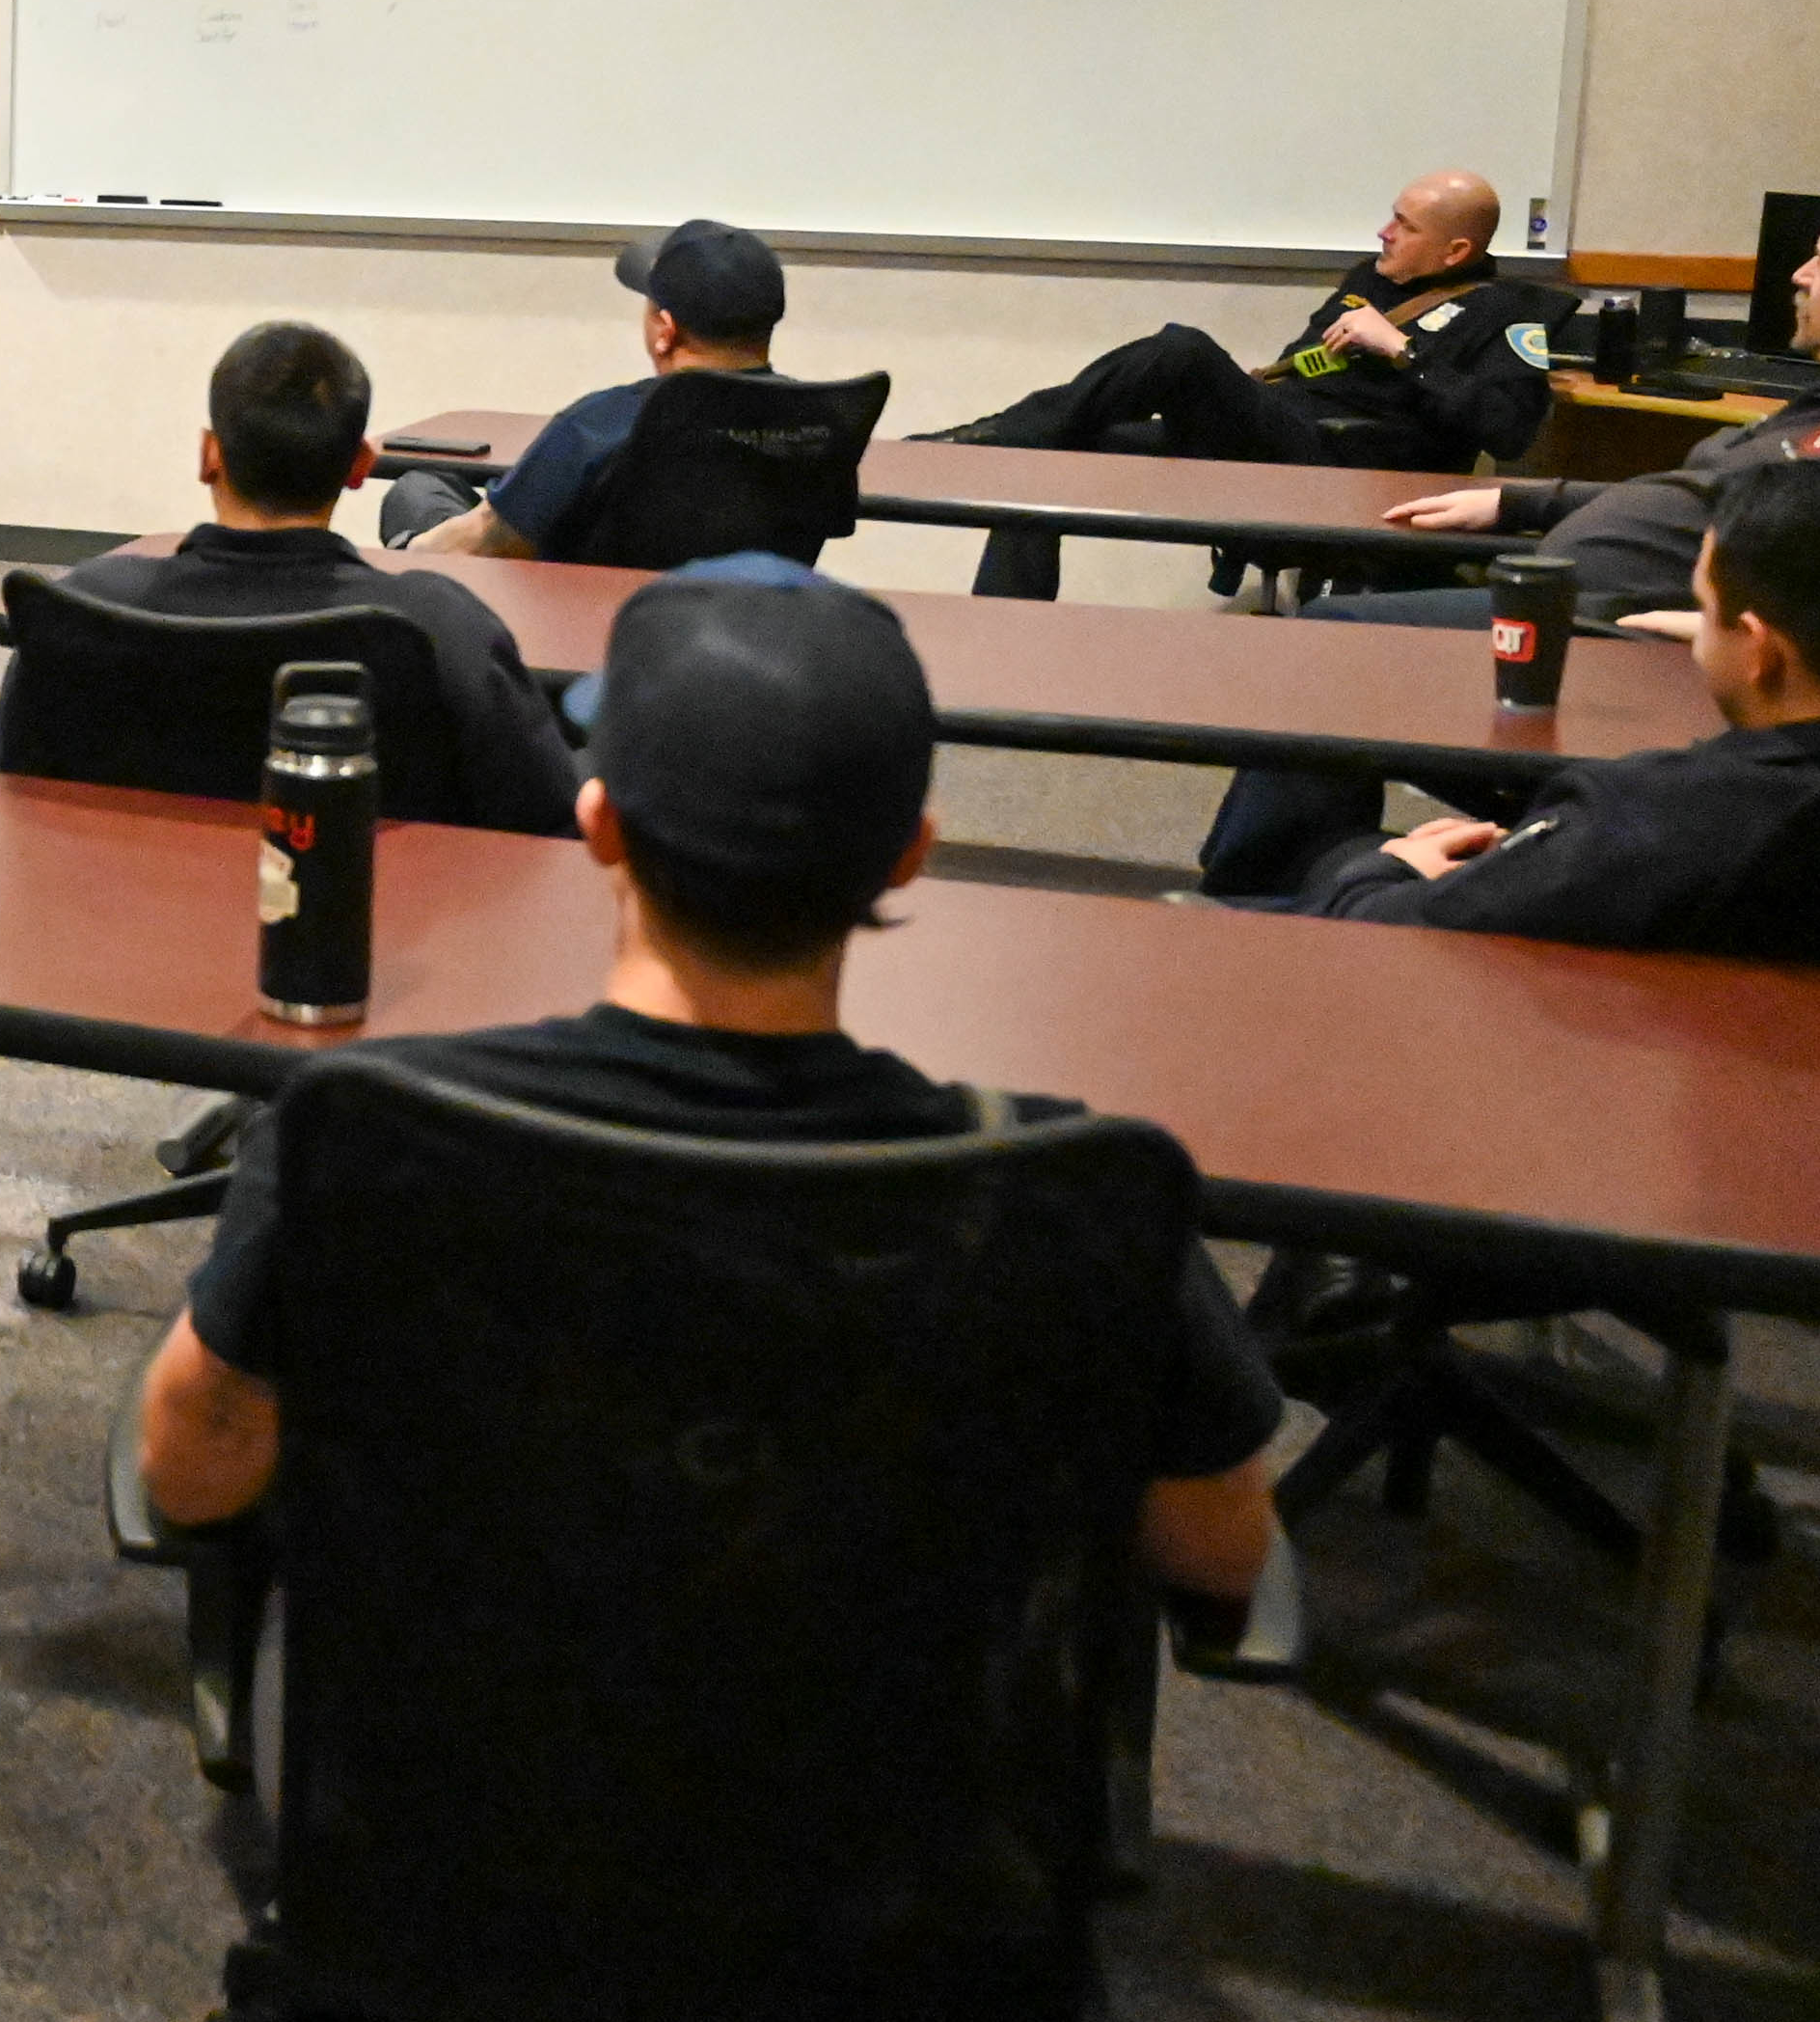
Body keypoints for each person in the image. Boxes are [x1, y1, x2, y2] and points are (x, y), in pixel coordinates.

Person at [132, 574, 1284, 1625]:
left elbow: (188, 1475)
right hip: (903, 1835)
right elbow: (1220, 1553)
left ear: (597, 824)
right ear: (908, 855)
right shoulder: (1071, 1187)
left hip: (451, 1821)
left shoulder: (365, 1132)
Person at [1200, 178, 1820, 893]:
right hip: (1592, 619)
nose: (1800, 274)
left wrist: (1721, 634)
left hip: (1641, 655)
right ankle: (1308, 882)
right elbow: (1701, 495)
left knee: (1335, 647)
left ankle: (1269, 894)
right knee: (1342, 652)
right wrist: (1526, 502)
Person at [1272, 457, 1820, 942]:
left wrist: (1389, 870)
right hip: (1762, 1049)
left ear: (1762, 648)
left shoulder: (1644, 811)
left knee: (1337, 858)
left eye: (1704, 614)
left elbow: (1386, 927)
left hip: (1544, 1051)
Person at [15, 320, 580, 838]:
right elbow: (544, 813)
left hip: (122, 919)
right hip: (369, 926)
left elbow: (18, 769)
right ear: (361, 467)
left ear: (209, 456)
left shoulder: (87, 601)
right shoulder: (438, 622)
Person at [929, 171, 1558, 596]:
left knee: (1184, 350)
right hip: (1279, 439)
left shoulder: (1507, 313)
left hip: (1347, 468)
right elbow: (1301, 367)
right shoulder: (1372, 281)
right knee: (1053, 449)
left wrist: (1401, 349)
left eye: (1405, 225)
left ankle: (982, 439)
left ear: (1455, 251)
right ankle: (1003, 626)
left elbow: (1509, 431)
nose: (1383, 233)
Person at [379, 218, 792, 560]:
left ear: (666, 331)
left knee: (416, 493)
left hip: (577, 628)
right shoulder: (816, 418)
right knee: (437, 483)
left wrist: (401, 555)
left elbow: (488, 541)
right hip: (753, 621)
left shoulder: (602, 425)